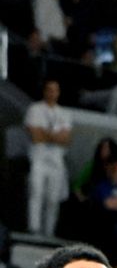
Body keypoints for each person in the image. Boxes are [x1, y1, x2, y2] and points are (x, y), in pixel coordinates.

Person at [25, 79, 72, 236]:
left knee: (53, 198)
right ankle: (34, 229)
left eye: (55, 90)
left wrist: (44, 133)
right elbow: (35, 136)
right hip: (39, 158)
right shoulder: (35, 109)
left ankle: (49, 232)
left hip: (56, 161)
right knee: (36, 192)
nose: (52, 93)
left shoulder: (64, 113)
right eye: (49, 89)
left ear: (58, 93)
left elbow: (66, 139)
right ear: (44, 91)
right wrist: (54, 136)